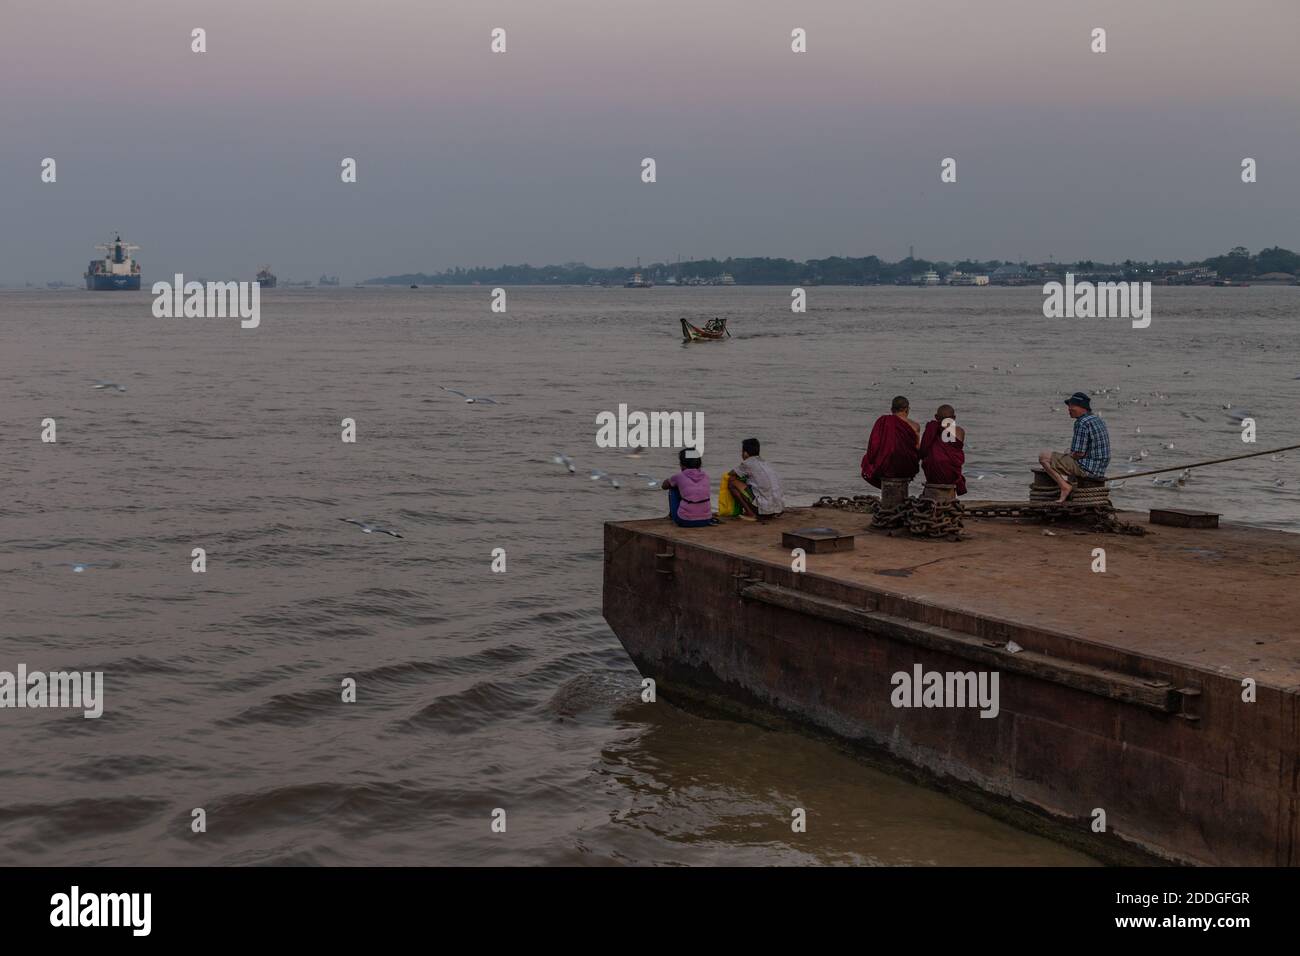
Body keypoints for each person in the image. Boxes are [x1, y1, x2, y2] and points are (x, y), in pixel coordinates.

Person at [1038, 392, 1111, 503]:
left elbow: (1079, 454)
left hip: (1087, 468)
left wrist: (1068, 455)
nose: (1069, 409)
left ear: (1082, 407)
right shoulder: (1097, 419)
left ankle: (1064, 486)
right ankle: (1067, 485)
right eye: (1069, 406)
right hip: (1099, 468)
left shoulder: (1082, 423)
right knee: (1064, 454)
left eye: (1072, 406)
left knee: (1044, 457)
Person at [861, 395, 921, 488]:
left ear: (892, 409)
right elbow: (917, 448)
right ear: (907, 409)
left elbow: (873, 446)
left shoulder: (883, 421)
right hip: (906, 467)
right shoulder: (915, 426)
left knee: (867, 460)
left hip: (884, 466)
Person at [726, 438, 785, 521]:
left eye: (742, 452)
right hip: (778, 508)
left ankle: (751, 514)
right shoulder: (765, 462)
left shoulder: (748, 463)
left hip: (764, 509)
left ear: (745, 453)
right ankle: (767, 511)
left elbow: (731, 473)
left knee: (732, 481)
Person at [919, 404, 967, 495]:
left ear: (936, 417)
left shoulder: (931, 429)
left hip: (932, 475)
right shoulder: (959, 431)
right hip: (951, 475)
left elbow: (922, 452)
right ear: (954, 418)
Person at [661, 448, 714, 527]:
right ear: (699, 463)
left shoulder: (679, 476)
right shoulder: (706, 476)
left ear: (682, 464)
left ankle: (672, 515)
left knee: (673, 488)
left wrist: (669, 480)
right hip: (706, 520)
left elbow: (664, 486)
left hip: (685, 521)